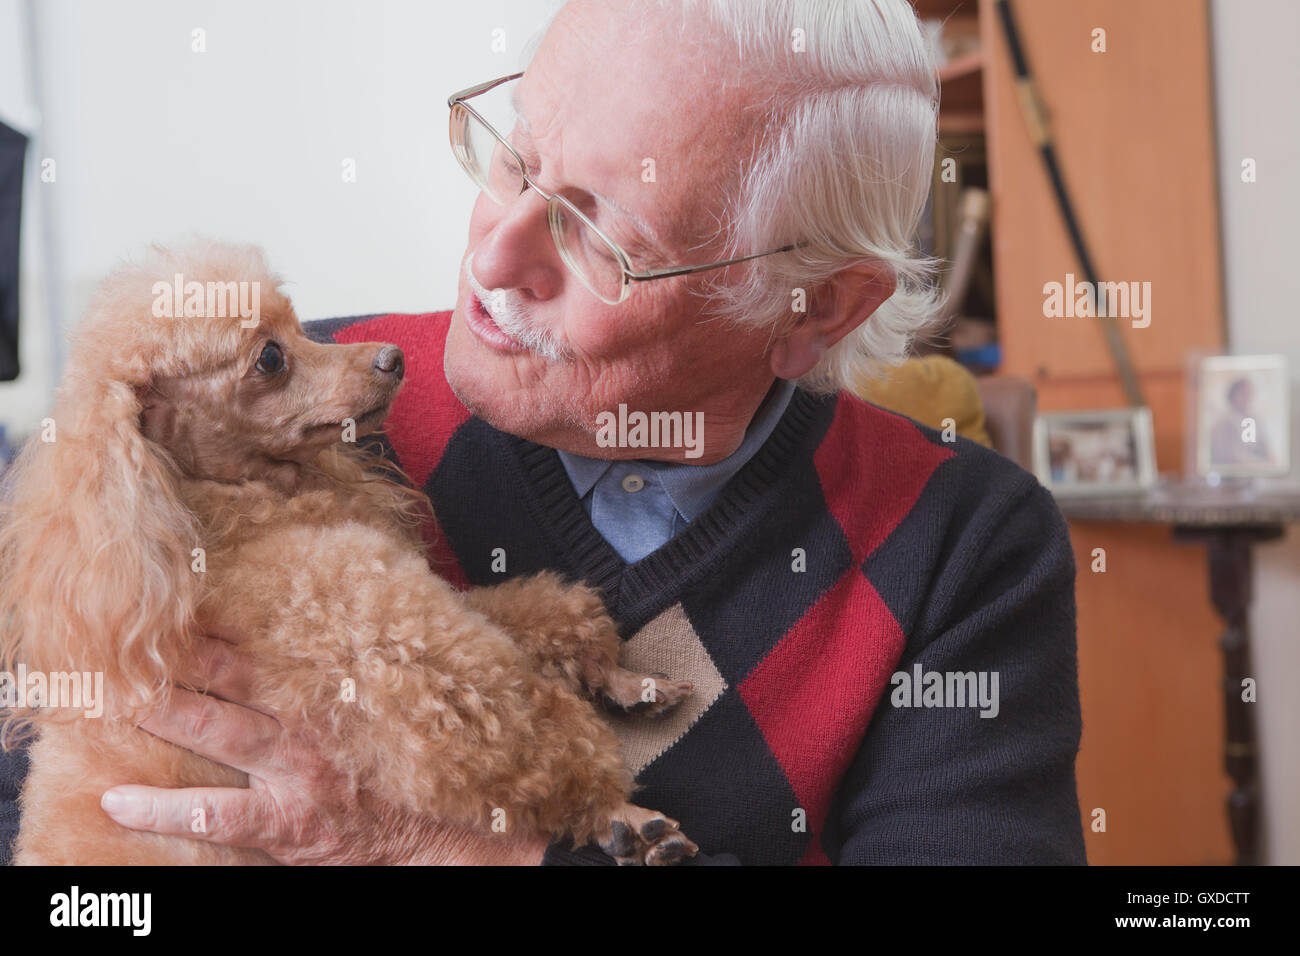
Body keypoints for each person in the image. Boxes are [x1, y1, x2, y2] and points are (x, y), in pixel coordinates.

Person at [0, 0, 1085, 865]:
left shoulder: (958, 545)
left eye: (604, 231)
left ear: (818, 305)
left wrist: (454, 849)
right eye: (515, 160)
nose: (494, 255)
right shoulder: (253, 417)